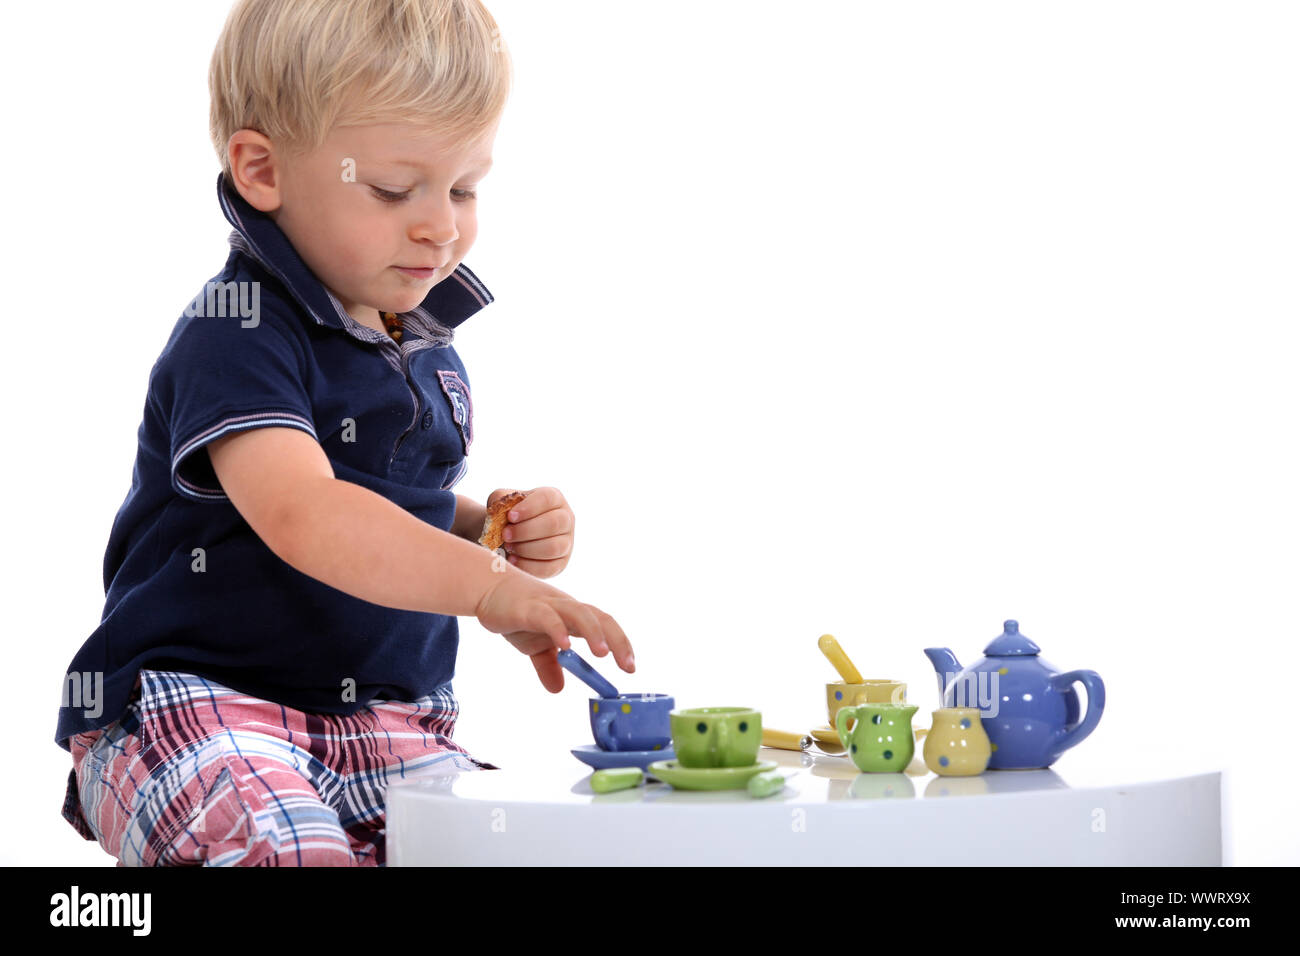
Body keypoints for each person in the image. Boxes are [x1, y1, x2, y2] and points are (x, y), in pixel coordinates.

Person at [54, 0, 632, 867]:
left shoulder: (417, 343)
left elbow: (385, 506)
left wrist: (487, 533)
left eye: (465, 187)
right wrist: (484, 586)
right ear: (262, 169)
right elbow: (307, 511)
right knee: (288, 852)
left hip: (387, 720)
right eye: (396, 189)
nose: (441, 224)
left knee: (508, 848)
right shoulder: (238, 328)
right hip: (199, 708)